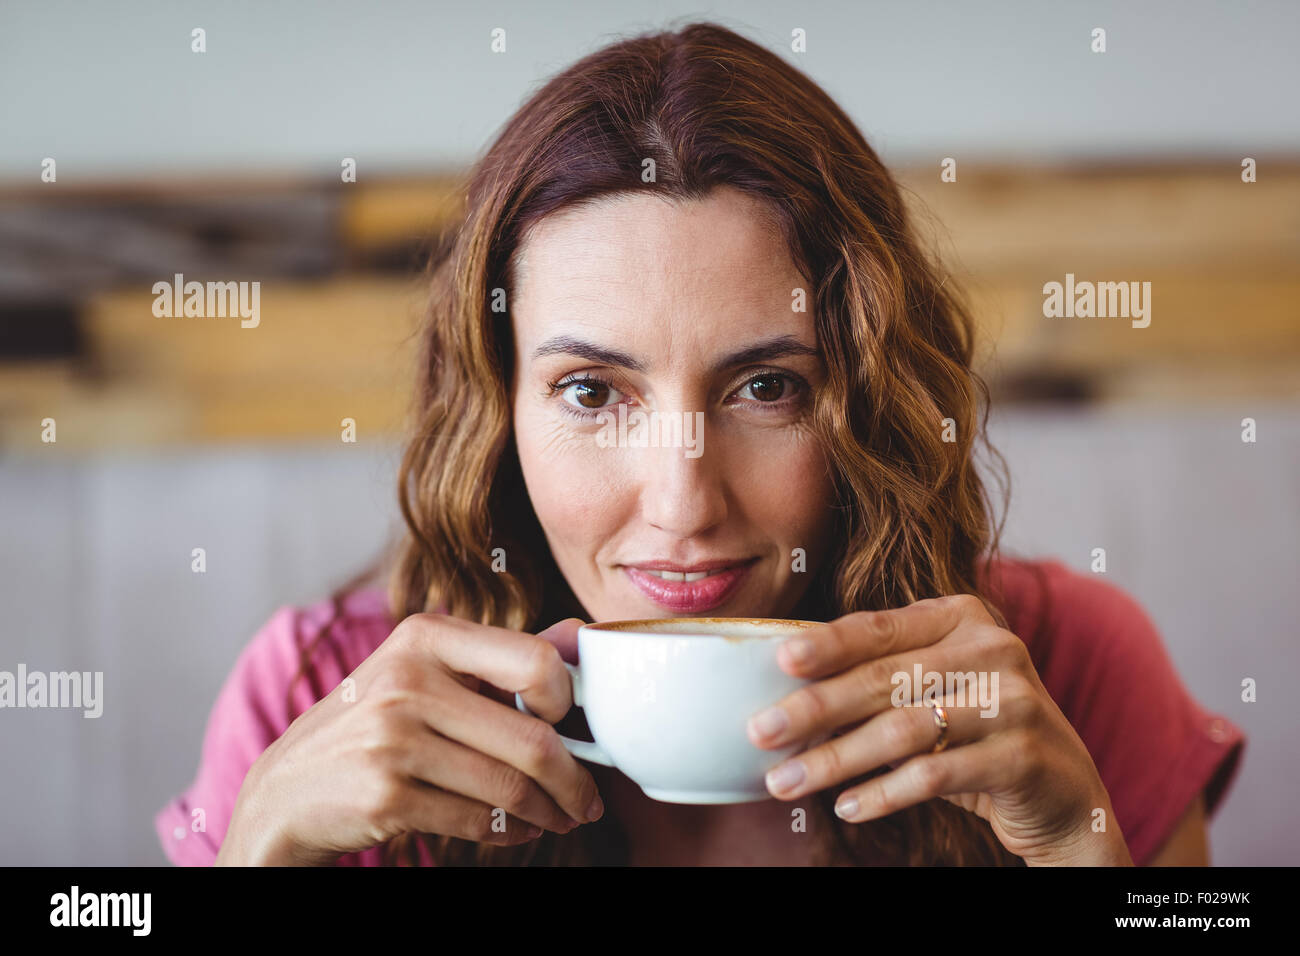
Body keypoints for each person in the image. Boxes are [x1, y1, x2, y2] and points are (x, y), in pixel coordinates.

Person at [155, 21, 1243, 867]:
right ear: (495, 409)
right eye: (592, 391)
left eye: (766, 386)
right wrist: (261, 850)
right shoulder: (315, 693)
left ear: (864, 398)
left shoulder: (1062, 671)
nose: (682, 503)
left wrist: (1082, 852)